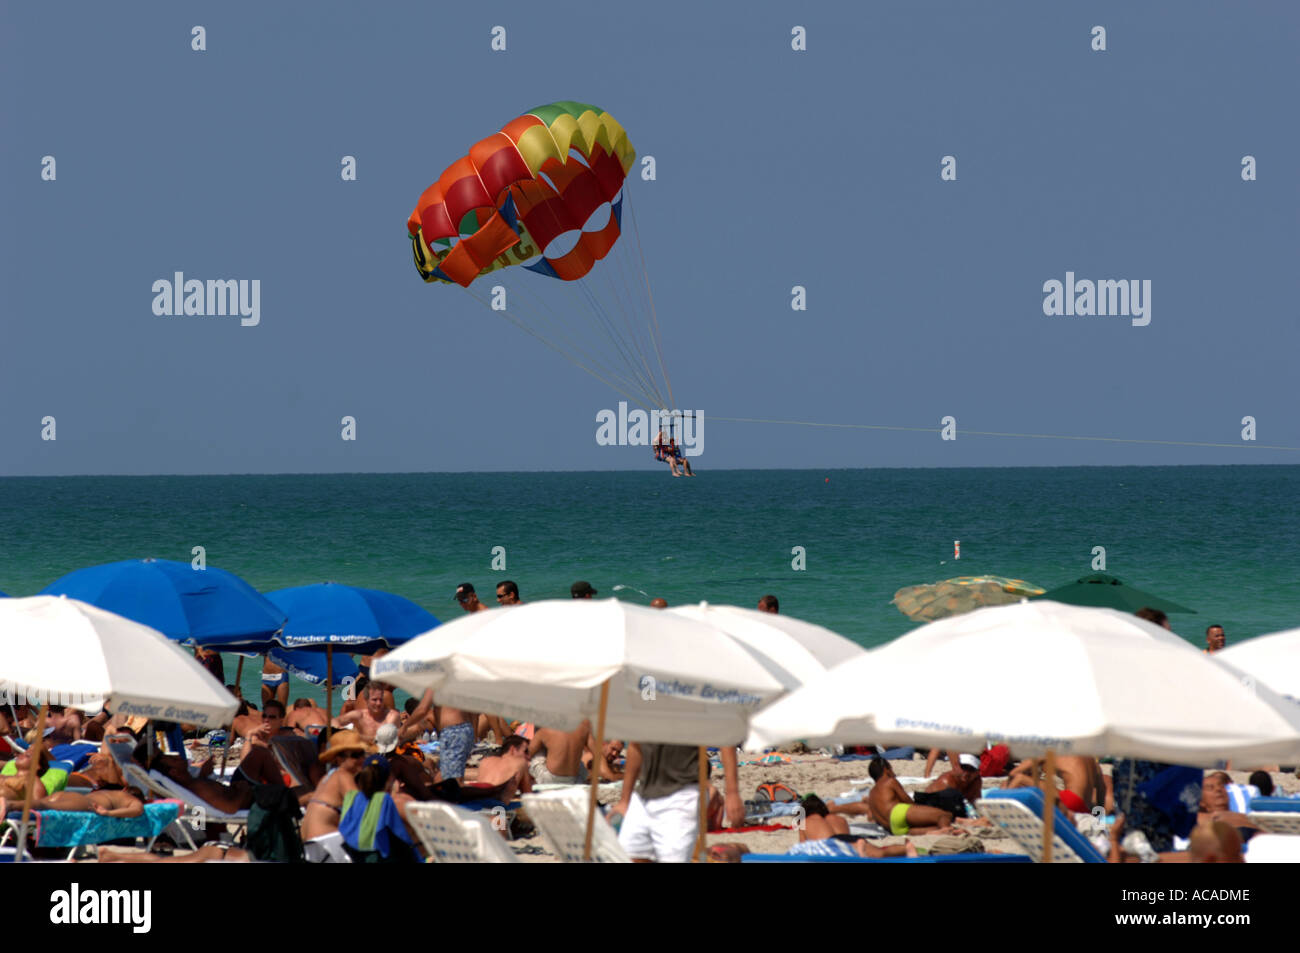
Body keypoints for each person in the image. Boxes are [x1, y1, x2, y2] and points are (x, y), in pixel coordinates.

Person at [611, 743, 743, 863]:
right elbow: (635, 745)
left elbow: (726, 740)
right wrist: (625, 800)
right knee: (630, 856)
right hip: (644, 793)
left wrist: (732, 793)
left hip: (683, 793)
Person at [301, 729, 371, 843]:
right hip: (325, 845)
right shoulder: (343, 776)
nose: (362, 759)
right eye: (356, 755)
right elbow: (361, 808)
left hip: (311, 845)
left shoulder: (328, 777)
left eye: (362, 753)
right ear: (339, 758)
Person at [794, 794, 912, 859]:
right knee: (880, 853)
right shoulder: (839, 819)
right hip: (851, 840)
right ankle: (906, 848)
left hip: (832, 844)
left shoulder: (805, 822)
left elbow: (803, 848)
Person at [864, 756, 955, 836]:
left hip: (893, 829)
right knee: (944, 815)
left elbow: (872, 817)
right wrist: (921, 810)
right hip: (897, 813)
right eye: (891, 768)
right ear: (885, 769)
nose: (893, 772)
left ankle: (941, 831)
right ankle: (946, 833)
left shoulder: (871, 794)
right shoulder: (889, 781)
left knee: (936, 827)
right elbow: (907, 801)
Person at [0, 787, 144, 818]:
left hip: (68, 795)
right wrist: (108, 812)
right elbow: (138, 810)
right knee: (44, 806)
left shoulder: (113, 792)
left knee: (38, 803)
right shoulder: (132, 799)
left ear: (125, 788)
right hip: (83, 802)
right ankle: (10, 805)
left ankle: (11, 804)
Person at [332, 682, 401, 743]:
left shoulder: (363, 694)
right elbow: (392, 729)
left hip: (359, 741)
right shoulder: (386, 695)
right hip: (374, 744)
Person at [476, 735, 533, 802]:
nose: (529, 757)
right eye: (526, 751)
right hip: (497, 806)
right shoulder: (521, 762)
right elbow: (528, 796)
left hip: (476, 802)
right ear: (512, 749)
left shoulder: (485, 761)